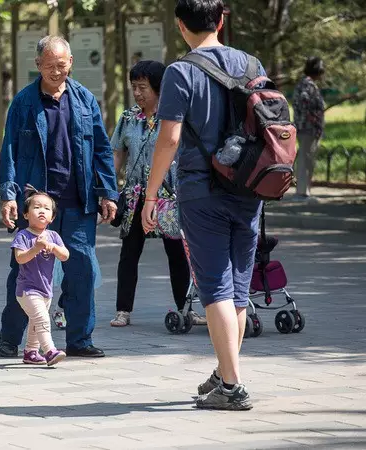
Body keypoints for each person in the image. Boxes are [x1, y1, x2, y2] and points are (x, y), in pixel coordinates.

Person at [142, 0, 266, 410]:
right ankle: (225, 370)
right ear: (221, 20)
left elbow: (170, 138)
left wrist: (151, 194)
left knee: (215, 287)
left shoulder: (180, 72)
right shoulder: (250, 63)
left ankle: (231, 387)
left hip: (202, 191)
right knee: (238, 291)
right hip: (249, 189)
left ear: (181, 26)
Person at [0, 36, 119, 358]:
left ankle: (79, 340)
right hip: (37, 203)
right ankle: (10, 336)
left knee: (83, 270)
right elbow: (9, 149)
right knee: (25, 271)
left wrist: (108, 192)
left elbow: (102, 150)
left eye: (62, 65)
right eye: (49, 66)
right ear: (38, 65)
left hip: (78, 202)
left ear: (71, 63)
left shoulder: (85, 100)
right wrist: (9, 195)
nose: (56, 71)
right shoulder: (24, 102)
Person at [109, 60, 198, 328]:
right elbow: (117, 154)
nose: (137, 93)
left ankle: (186, 308)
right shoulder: (127, 119)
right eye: (134, 87)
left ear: (159, 88)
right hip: (136, 196)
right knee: (129, 253)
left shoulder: (175, 118)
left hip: (169, 197)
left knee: (177, 254)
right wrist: (109, 190)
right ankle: (123, 310)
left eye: (143, 87)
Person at [11, 186, 69, 366]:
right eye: (36, 207)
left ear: (52, 217)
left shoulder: (53, 236)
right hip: (27, 289)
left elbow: (65, 255)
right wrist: (36, 248)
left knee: (36, 322)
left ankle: (30, 352)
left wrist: (53, 247)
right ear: (26, 215)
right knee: (42, 319)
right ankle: (50, 351)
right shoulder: (23, 235)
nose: (42, 210)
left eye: (46, 208)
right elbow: (20, 258)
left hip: (46, 289)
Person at [292, 57, 325, 200]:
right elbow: (305, 103)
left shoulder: (305, 84)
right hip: (308, 129)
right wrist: (314, 117)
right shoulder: (308, 85)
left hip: (306, 128)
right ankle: (302, 193)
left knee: (307, 159)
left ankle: (304, 191)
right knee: (306, 160)